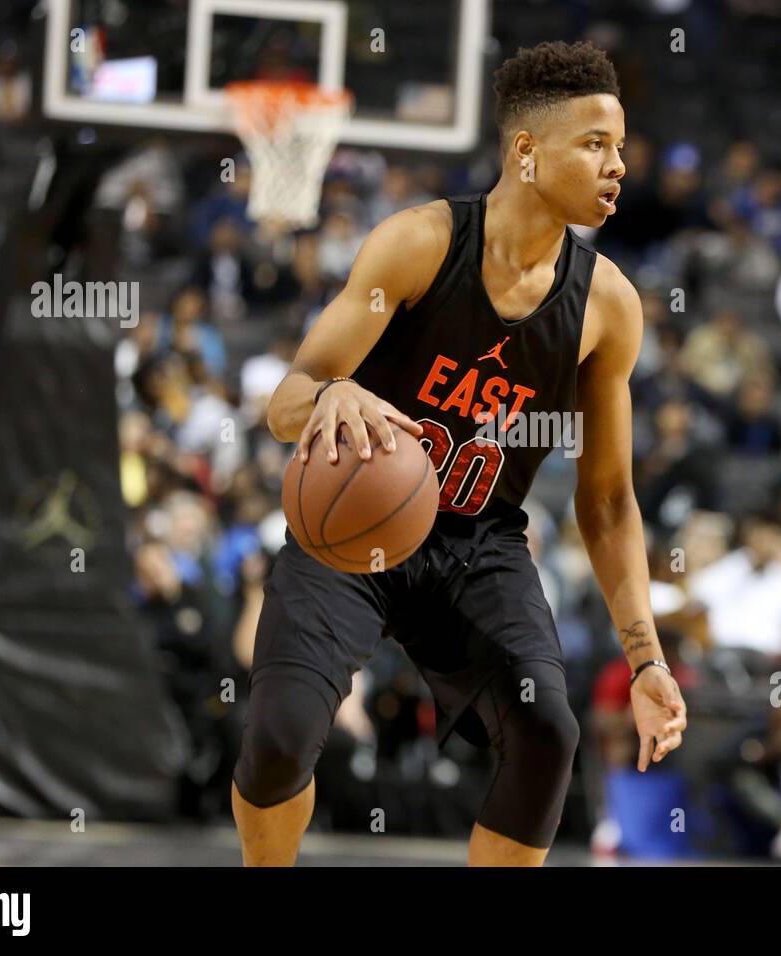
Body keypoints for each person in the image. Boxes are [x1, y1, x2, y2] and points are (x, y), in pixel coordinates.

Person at [231, 41, 687, 867]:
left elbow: (610, 499)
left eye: (620, 147)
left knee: (548, 731)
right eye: (595, 145)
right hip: (349, 541)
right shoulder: (418, 244)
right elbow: (284, 402)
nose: (618, 165)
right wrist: (329, 391)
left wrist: (646, 657)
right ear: (525, 151)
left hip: (477, 543)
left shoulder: (609, 305)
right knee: (280, 736)